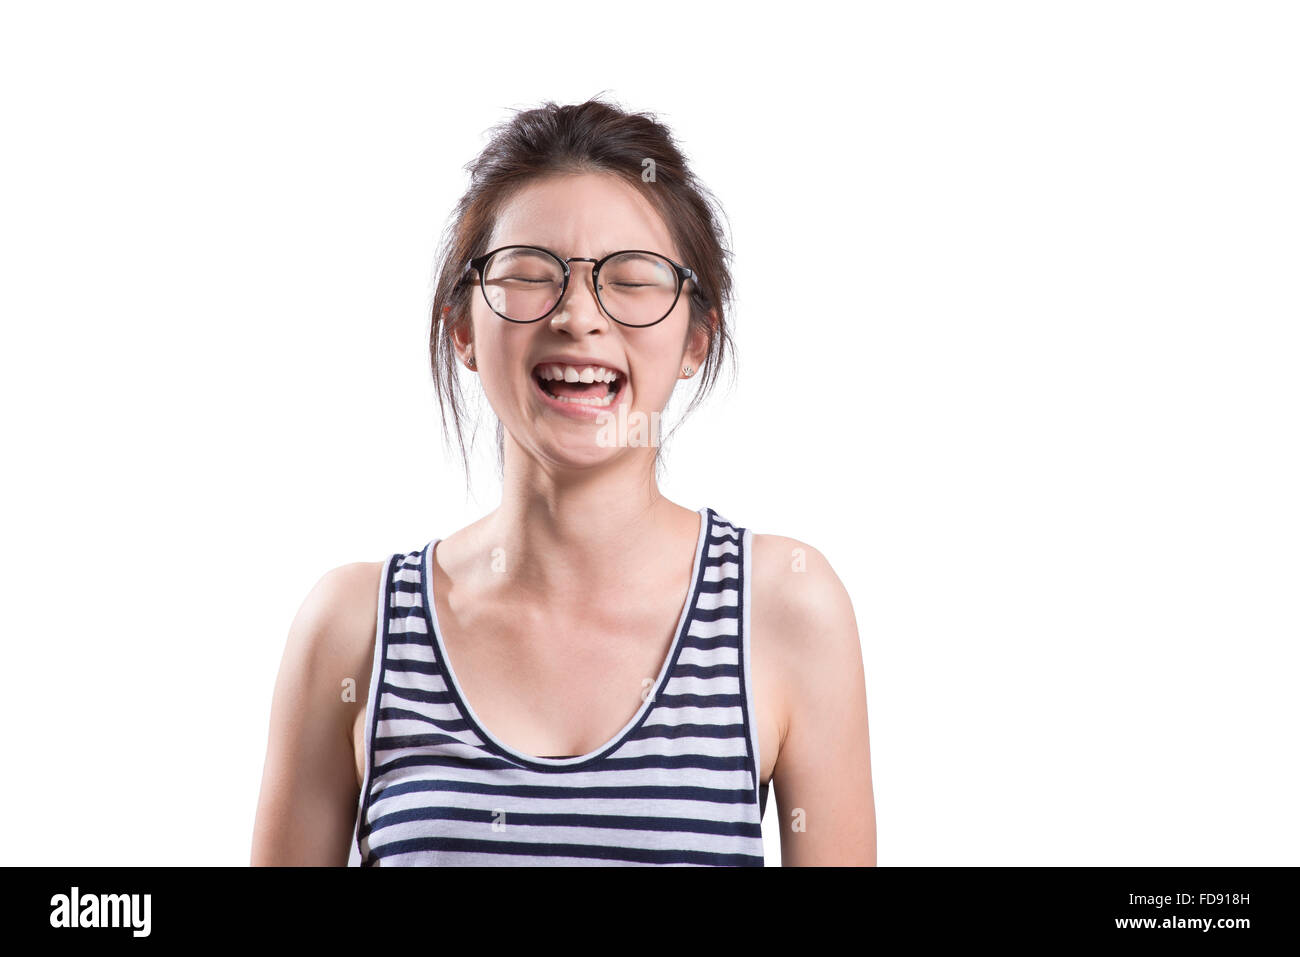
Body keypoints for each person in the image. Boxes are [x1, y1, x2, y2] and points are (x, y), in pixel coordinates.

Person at [251, 96, 875, 866]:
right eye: (529, 274)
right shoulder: (354, 628)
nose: (578, 315)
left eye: (633, 279)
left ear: (696, 338)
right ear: (462, 330)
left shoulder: (784, 608)